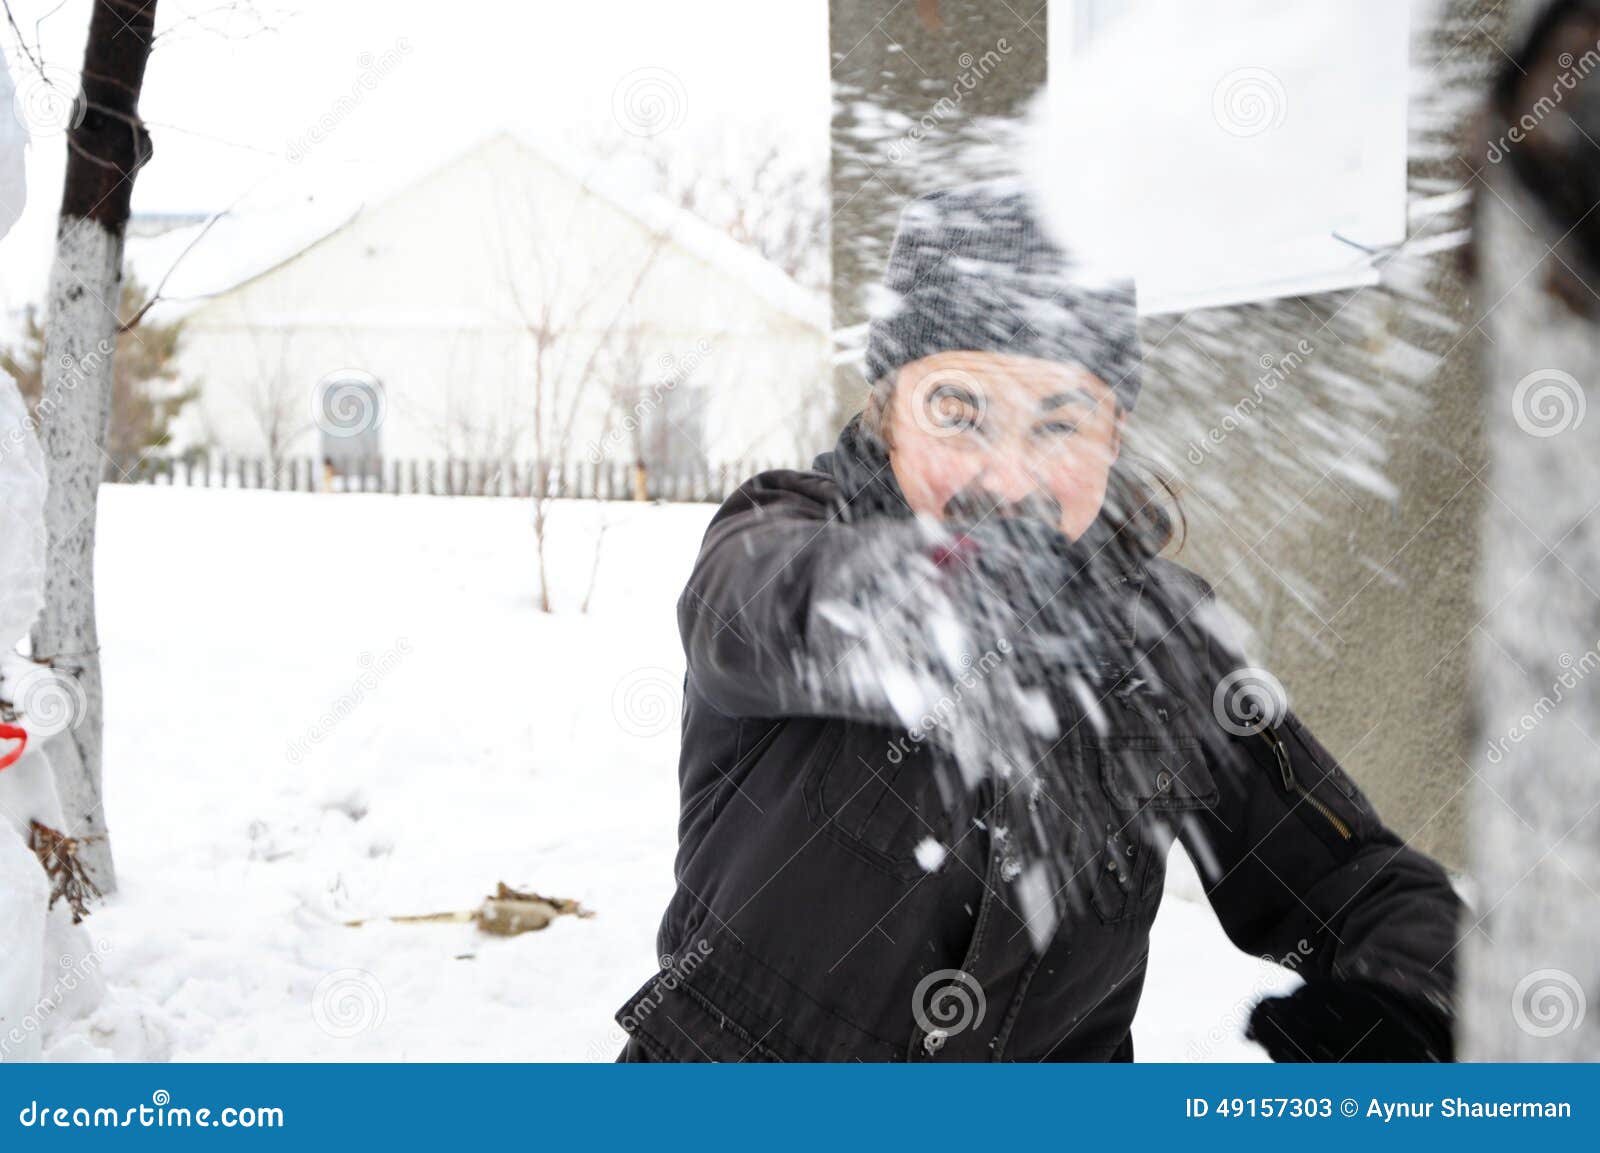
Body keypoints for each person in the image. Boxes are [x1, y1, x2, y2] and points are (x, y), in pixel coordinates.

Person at [616, 183, 1463, 1062]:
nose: (1007, 477)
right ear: (888, 410)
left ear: (1114, 432)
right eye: (957, 410)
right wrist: (968, 596)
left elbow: (1357, 881)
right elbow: (751, 616)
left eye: (1059, 420)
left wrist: (1411, 995)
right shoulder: (786, 535)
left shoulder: (1160, 643)